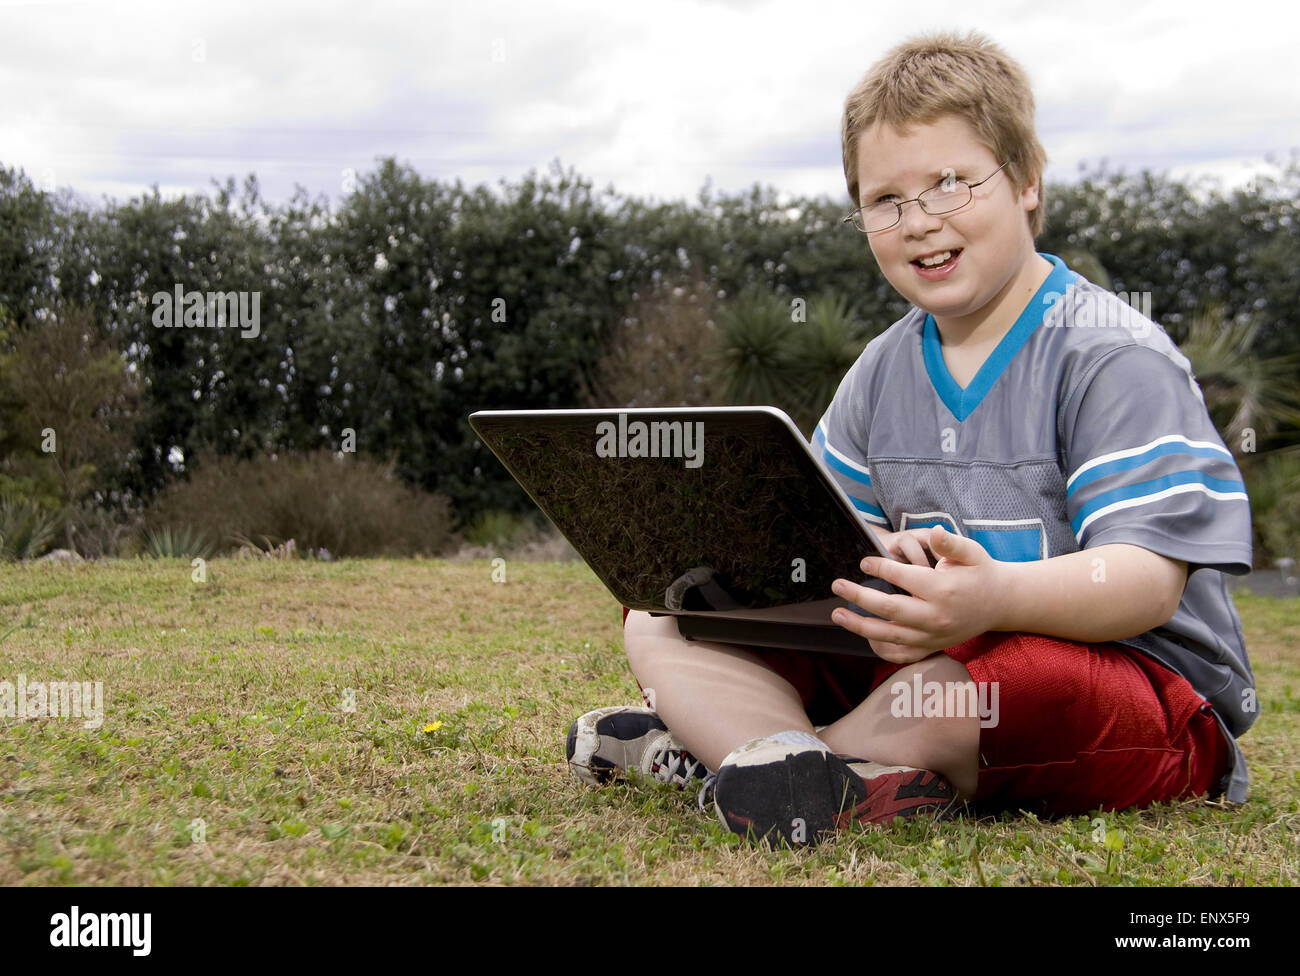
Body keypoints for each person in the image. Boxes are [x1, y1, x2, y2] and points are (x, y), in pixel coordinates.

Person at [566, 30, 1256, 847]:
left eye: (952, 184)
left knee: (957, 690)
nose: (920, 222)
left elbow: (1146, 584)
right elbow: (825, 555)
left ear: (1028, 181)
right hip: (919, 656)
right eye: (886, 200)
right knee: (666, 615)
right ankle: (796, 767)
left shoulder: (1108, 355)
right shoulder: (881, 370)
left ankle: (742, 758)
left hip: (1133, 686)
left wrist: (993, 595)